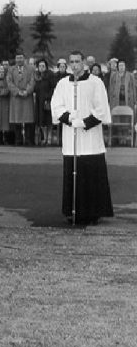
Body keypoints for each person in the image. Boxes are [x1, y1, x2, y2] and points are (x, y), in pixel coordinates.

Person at [50, 51, 113, 226]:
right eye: (72, 62)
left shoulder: (95, 82)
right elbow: (56, 106)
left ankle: (93, 213)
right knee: (73, 172)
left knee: (91, 174)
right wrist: (70, 119)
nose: (74, 65)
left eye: (77, 61)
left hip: (90, 138)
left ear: (83, 62)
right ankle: (72, 211)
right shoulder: (63, 84)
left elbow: (101, 108)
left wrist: (85, 122)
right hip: (71, 137)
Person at [6, 54, 36, 145]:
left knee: (28, 119)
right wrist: (17, 91)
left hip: (27, 97)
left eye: (21, 58)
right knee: (17, 119)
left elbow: (32, 81)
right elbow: (9, 82)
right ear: (15, 59)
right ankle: (18, 140)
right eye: (17, 58)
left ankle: (28, 140)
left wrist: (27, 91)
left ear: (24, 58)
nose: (19, 60)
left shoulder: (31, 69)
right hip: (16, 97)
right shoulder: (11, 70)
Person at [34, 59, 56, 146]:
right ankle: (44, 138)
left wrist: (48, 97)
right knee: (41, 120)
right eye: (40, 66)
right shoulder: (37, 76)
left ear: (46, 67)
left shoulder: (50, 75)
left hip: (48, 101)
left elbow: (53, 88)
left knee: (48, 121)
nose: (41, 68)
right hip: (39, 101)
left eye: (43, 66)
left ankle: (49, 138)